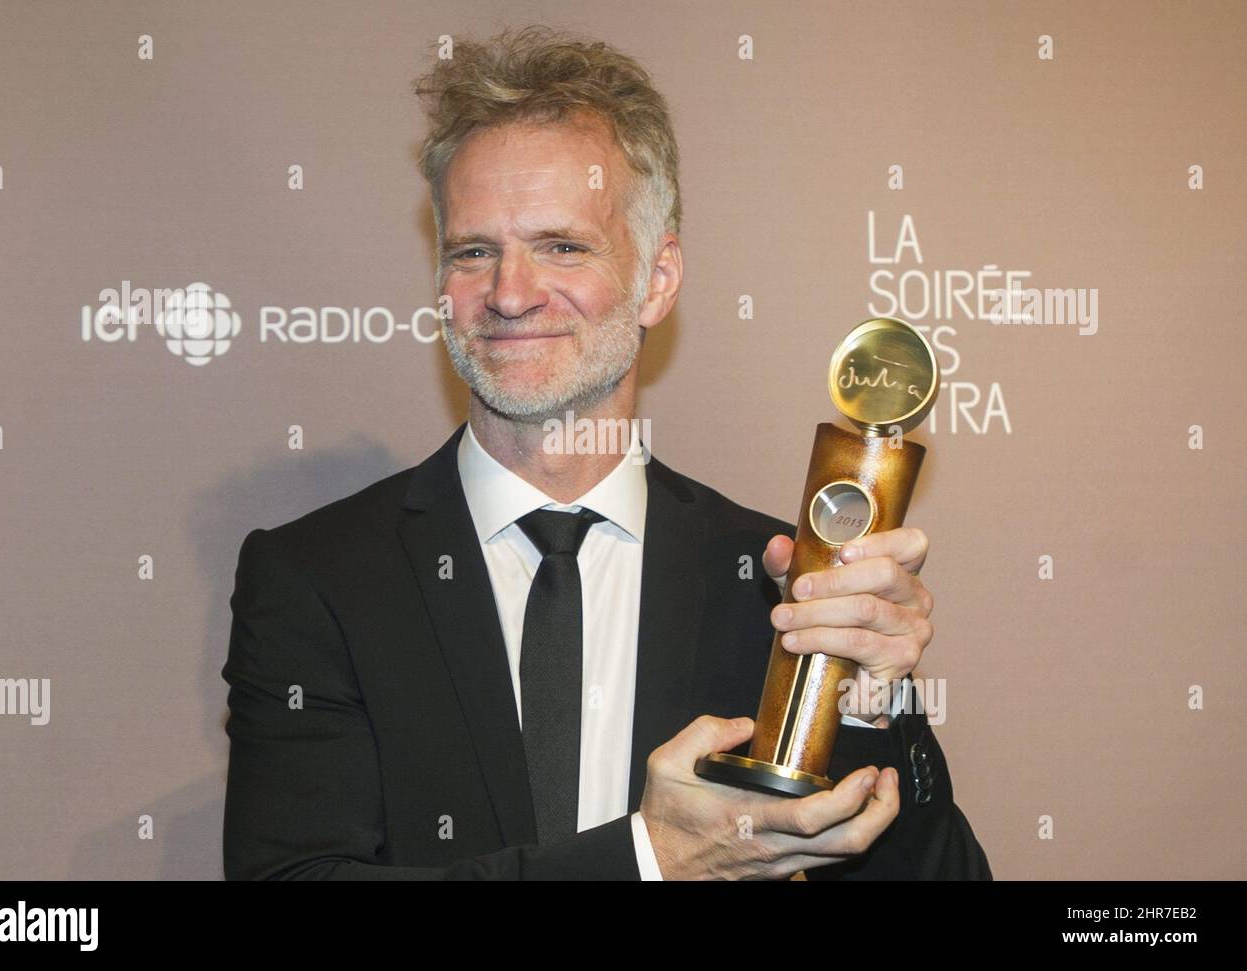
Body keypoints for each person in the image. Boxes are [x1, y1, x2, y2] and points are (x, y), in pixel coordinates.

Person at [221, 24, 991, 880]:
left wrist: (871, 701)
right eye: (475, 251)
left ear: (657, 279)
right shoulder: (318, 579)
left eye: (562, 246)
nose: (510, 293)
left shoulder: (776, 586)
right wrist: (648, 859)